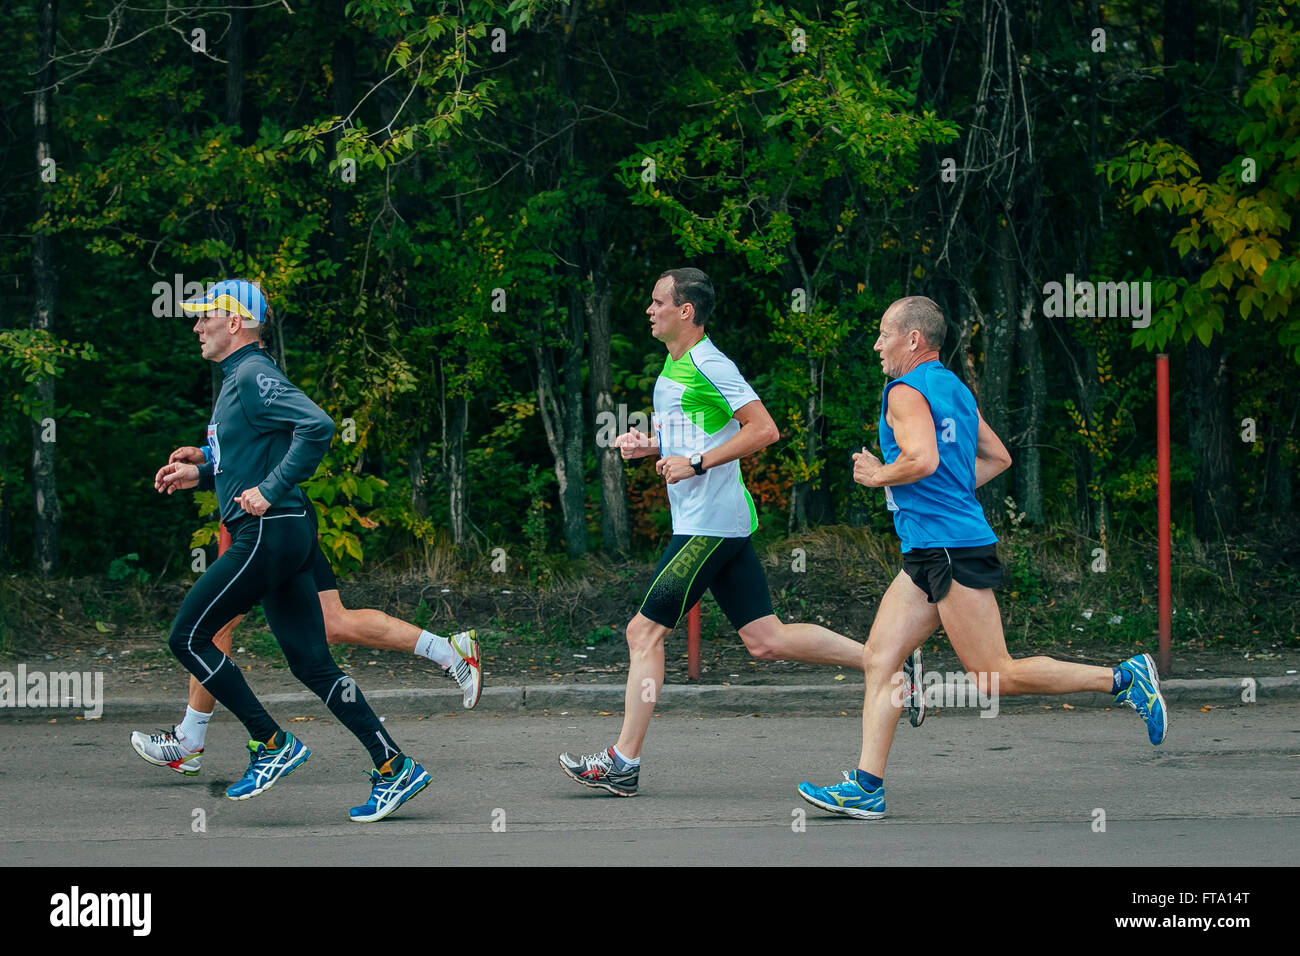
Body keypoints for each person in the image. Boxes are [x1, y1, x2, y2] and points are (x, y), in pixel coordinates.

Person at [797, 296, 1167, 820]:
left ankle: (1124, 678)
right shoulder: (955, 389)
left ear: (914, 340)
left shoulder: (903, 392)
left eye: (884, 334)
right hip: (929, 549)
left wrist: (879, 475)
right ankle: (866, 787)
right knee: (881, 658)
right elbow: (998, 457)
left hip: (950, 549)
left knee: (995, 676)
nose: (876, 344)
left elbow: (921, 459)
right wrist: (945, 494)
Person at [559, 267, 885, 796]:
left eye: (657, 301)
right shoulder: (674, 365)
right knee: (766, 641)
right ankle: (886, 660)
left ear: (685, 311)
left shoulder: (712, 363)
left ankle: (623, 761)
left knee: (643, 633)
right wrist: (652, 445)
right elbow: (687, 429)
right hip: (715, 523)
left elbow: (764, 429)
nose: (649, 309)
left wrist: (695, 461)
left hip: (707, 526)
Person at [152, 278, 433, 821]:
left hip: (269, 532)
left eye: (205, 316)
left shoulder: (253, 373)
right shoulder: (239, 378)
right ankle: (394, 766)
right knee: (312, 664)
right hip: (283, 531)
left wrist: (270, 489)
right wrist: (201, 470)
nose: (196, 325)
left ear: (235, 323)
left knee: (188, 637)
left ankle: (270, 743)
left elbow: (317, 426)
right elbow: (254, 450)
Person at [130, 478, 481, 775]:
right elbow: (234, 450)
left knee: (211, 626)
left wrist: (209, 467)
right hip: (281, 515)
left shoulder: (251, 395)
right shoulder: (238, 401)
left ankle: (191, 739)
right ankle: (449, 651)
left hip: (265, 517)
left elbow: (287, 436)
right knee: (333, 621)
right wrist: (201, 464)